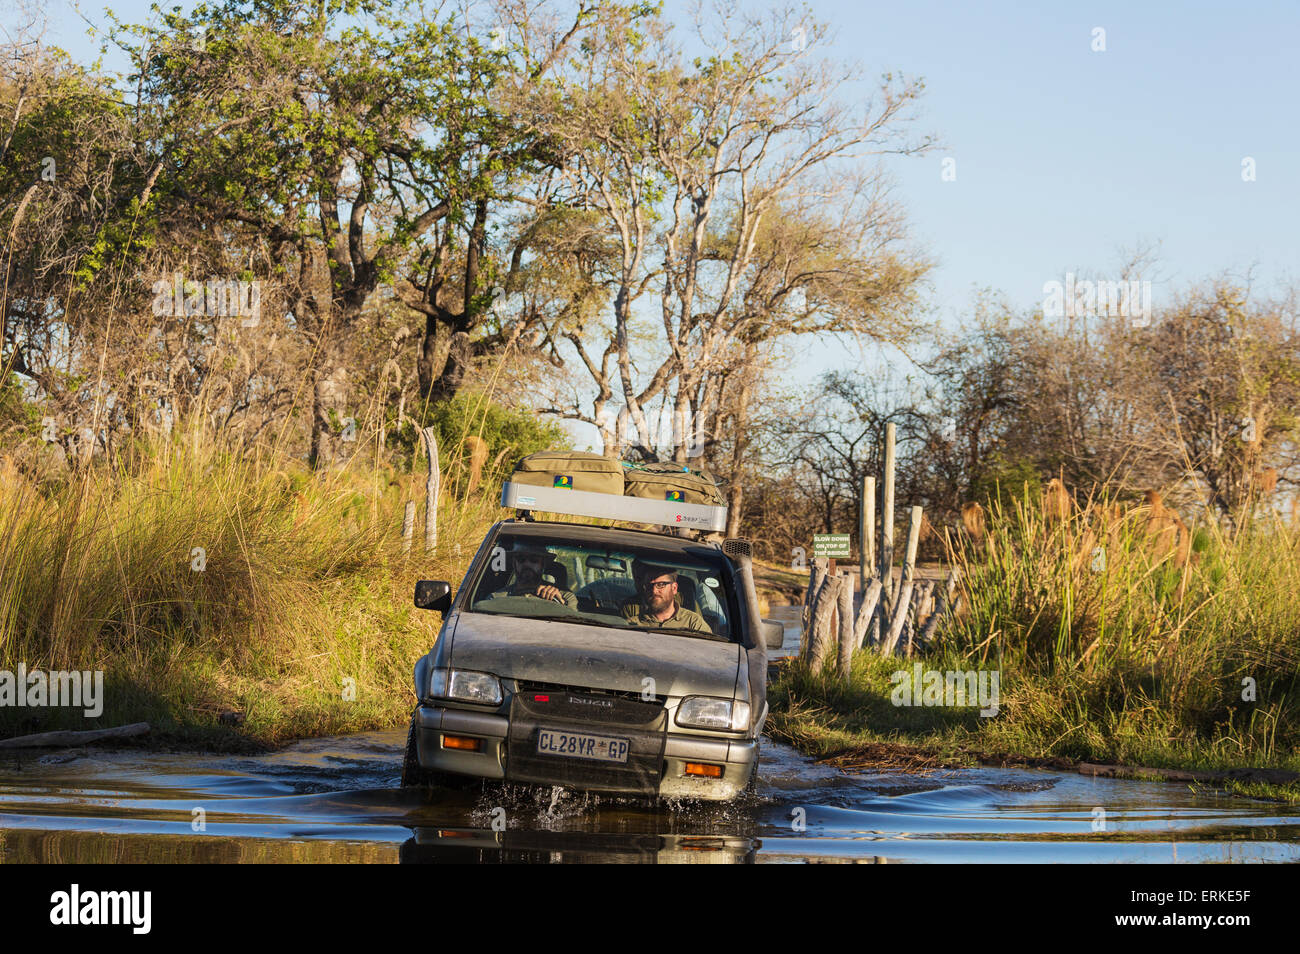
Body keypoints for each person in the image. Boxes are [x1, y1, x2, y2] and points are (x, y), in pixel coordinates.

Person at [622, 562, 711, 633]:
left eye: (660, 585)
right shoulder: (632, 625)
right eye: (649, 585)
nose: (654, 591)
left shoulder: (694, 624)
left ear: (674, 588)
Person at [488, 541, 577, 608]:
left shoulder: (565, 597)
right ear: (514, 564)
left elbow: (572, 623)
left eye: (534, 560)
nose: (527, 564)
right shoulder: (496, 599)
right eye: (521, 559)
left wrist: (562, 604)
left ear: (543, 564)